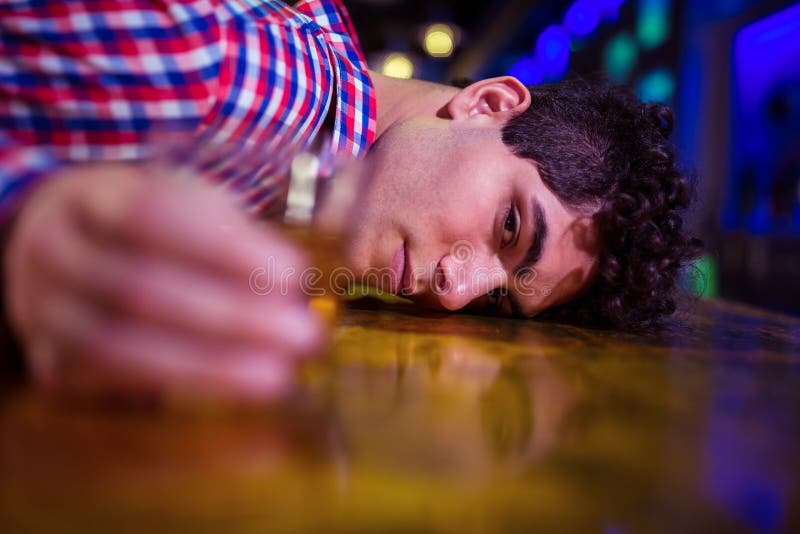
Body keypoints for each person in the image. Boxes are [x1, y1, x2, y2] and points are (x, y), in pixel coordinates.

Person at [0, 0, 700, 400]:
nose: (456, 290)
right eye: (509, 227)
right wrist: (19, 221)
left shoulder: (322, 70)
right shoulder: (234, 84)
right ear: (487, 103)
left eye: (496, 298)